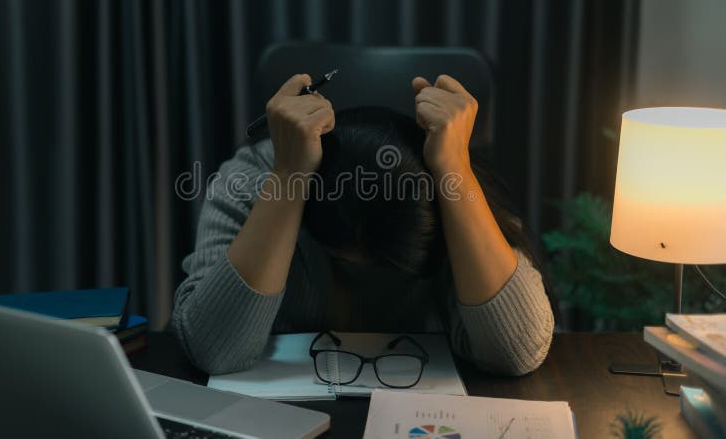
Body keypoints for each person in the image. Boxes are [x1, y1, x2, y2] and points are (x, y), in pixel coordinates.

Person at [172, 73, 555, 376]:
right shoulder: (252, 181)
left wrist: (455, 169)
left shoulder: (451, 189)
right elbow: (213, 349)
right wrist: (289, 176)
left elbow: (517, 352)